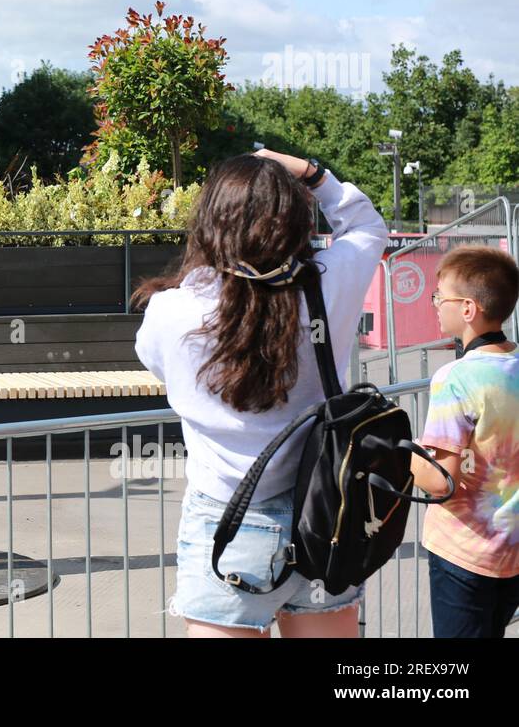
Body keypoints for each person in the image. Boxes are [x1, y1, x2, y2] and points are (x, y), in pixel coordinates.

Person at [134, 149, 388, 637]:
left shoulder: (171, 312)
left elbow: (158, 362)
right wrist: (313, 173)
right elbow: (367, 227)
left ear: (210, 222)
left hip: (227, 522)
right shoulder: (326, 285)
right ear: (294, 221)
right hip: (325, 519)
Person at [410, 245, 519, 637]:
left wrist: (398, 453)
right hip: (511, 550)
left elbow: (441, 480)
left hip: (464, 550)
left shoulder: (455, 377)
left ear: (468, 308)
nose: (436, 305)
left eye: (441, 297)